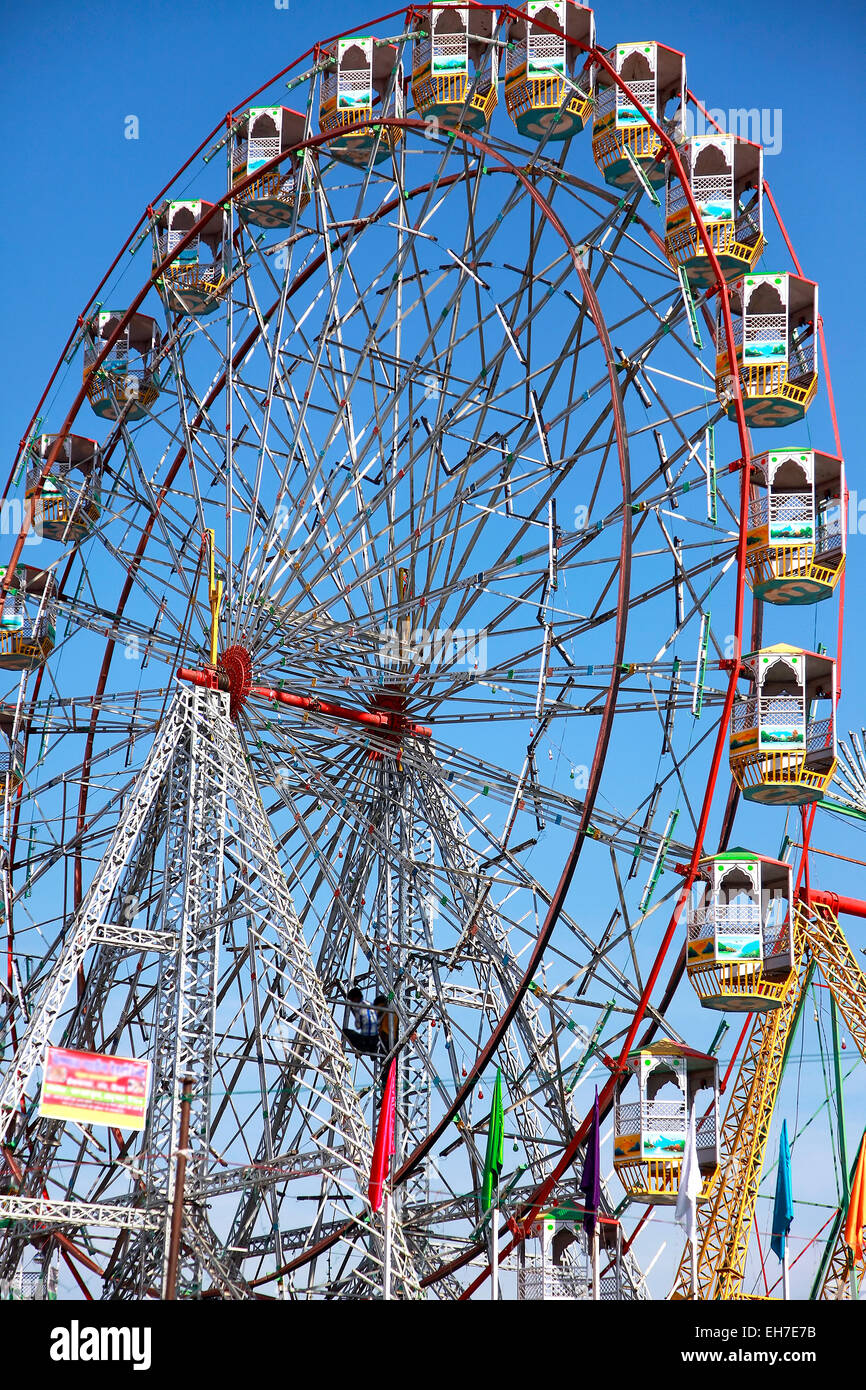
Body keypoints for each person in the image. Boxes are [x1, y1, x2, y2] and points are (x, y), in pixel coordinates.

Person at [342, 986, 379, 1055]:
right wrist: (392, 993)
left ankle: (362, 1049)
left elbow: (358, 1025)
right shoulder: (369, 1004)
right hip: (376, 1039)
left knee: (346, 1032)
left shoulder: (359, 1008)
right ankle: (372, 1050)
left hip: (367, 1040)